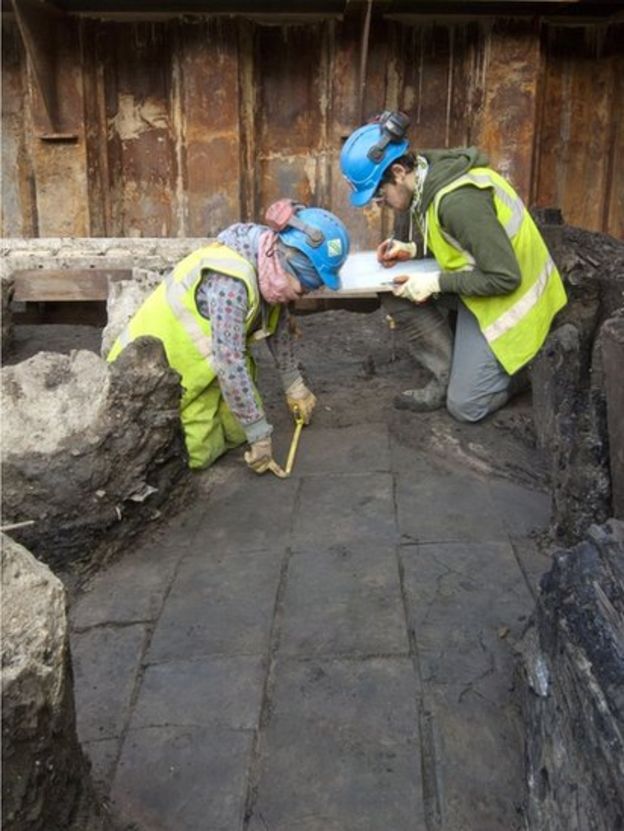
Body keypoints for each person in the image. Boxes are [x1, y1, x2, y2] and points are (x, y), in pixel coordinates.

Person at [339, 111, 567, 422]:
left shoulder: (458, 201)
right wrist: (413, 249)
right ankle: (447, 375)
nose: (382, 204)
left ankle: (524, 369)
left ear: (397, 171)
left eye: (381, 196)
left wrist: (434, 283)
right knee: (395, 290)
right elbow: (461, 242)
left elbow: (505, 277)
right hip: (483, 282)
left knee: (466, 406)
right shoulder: (427, 175)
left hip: (514, 300)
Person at [107, 201, 349, 473]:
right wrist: (259, 434)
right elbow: (230, 362)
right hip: (155, 378)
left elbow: (276, 317)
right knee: (197, 455)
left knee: (235, 435)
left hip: (207, 363)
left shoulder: (267, 255)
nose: (303, 296)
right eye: (303, 290)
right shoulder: (231, 286)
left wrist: (294, 384)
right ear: (287, 262)